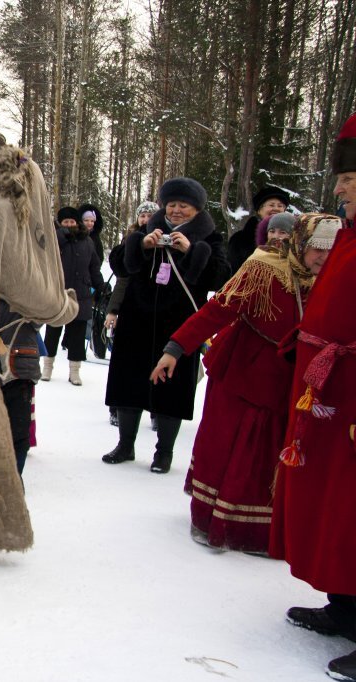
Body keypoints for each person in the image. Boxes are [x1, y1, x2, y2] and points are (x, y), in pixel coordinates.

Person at [150, 213, 341, 552]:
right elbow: (217, 310)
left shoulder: (330, 279)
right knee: (228, 446)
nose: (323, 258)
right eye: (316, 249)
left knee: (269, 456)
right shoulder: (263, 269)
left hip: (289, 381)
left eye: (330, 250)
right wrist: (175, 348)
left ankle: (263, 532)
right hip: (243, 370)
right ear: (301, 243)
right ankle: (209, 518)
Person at [272, 112, 356, 682]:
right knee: (333, 508)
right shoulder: (349, 238)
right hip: (328, 400)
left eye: (352, 179)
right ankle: (346, 605)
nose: (341, 188)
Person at [102, 177, 231, 473]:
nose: (176, 211)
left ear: (196, 209)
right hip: (137, 319)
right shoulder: (148, 228)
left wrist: (192, 251)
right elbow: (119, 264)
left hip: (179, 324)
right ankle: (125, 444)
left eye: (183, 206)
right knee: (129, 381)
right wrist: (140, 244)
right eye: (171, 204)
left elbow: (221, 277)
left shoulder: (209, 237)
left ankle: (164, 452)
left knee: (172, 388)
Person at [105, 200, 158, 425]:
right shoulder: (130, 242)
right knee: (124, 363)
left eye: (150, 216)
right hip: (130, 308)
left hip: (157, 311)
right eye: (142, 216)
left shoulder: (166, 240)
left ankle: (157, 410)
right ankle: (118, 408)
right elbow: (122, 280)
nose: (145, 220)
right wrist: (113, 310)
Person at [41, 206, 103, 385]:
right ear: (60, 223)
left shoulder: (88, 241)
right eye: (65, 222)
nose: (69, 225)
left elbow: (94, 267)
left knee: (77, 335)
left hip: (81, 294)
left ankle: (74, 371)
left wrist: (100, 287)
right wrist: (62, 235)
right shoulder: (54, 239)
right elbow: (45, 254)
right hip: (58, 292)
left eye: (72, 221)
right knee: (53, 332)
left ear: (77, 222)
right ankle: (47, 367)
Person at [0, 300, 43, 475]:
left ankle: (13, 483)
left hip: (18, 364)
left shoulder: (30, 276)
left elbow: (48, 310)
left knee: (17, 431)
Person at [226, 185, 290, 273]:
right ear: (259, 210)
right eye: (271, 205)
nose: (276, 208)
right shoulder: (240, 239)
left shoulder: (292, 239)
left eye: (280, 206)